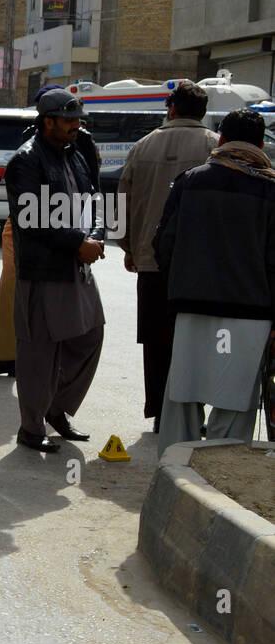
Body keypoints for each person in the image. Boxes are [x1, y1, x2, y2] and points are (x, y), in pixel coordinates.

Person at [154, 107, 275, 455]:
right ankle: (218, 482)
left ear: (220, 140)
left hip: (192, 309)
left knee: (183, 395)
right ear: (261, 145)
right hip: (250, 315)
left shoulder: (190, 180)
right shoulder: (270, 189)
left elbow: (164, 243)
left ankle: (176, 474)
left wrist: (179, 284)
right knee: (236, 403)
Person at [4, 89, 107, 453]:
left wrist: (94, 237)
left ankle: (57, 409)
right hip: (45, 269)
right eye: (68, 120)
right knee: (39, 352)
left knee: (90, 335)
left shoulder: (76, 154)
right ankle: (31, 429)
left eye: (78, 120)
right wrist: (79, 242)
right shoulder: (26, 161)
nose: (75, 126)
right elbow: (31, 221)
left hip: (77, 264)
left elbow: (95, 200)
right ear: (47, 120)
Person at [0, 84, 103, 379]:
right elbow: (28, 214)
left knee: (68, 313)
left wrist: (91, 236)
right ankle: (9, 356)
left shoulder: (80, 142)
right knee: (12, 289)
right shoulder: (31, 145)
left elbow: (92, 191)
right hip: (25, 226)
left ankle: (48, 373)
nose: (74, 124)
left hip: (66, 229)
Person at [116, 80, 218, 433]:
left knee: (156, 338)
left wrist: (128, 247)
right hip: (200, 267)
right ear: (202, 112)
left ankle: (161, 411)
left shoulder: (143, 146)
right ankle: (191, 413)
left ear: (171, 108)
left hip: (151, 261)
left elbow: (122, 201)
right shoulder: (215, 147)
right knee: (195, 338)